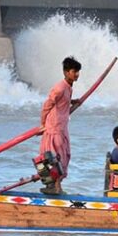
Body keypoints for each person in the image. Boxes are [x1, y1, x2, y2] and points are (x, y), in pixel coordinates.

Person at [39, 56, 81, 195]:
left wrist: (73, 101)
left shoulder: (69, 88)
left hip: (62, 127)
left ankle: (56, 186)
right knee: (55, 158)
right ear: (66, 72)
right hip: (53, 128)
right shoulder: (59, 88)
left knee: (65, 156)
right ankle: (55, 187)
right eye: (74, 71)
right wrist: (42, 124)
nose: (77, 74)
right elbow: (47, 106)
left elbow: (63, 102)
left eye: (77, 71)